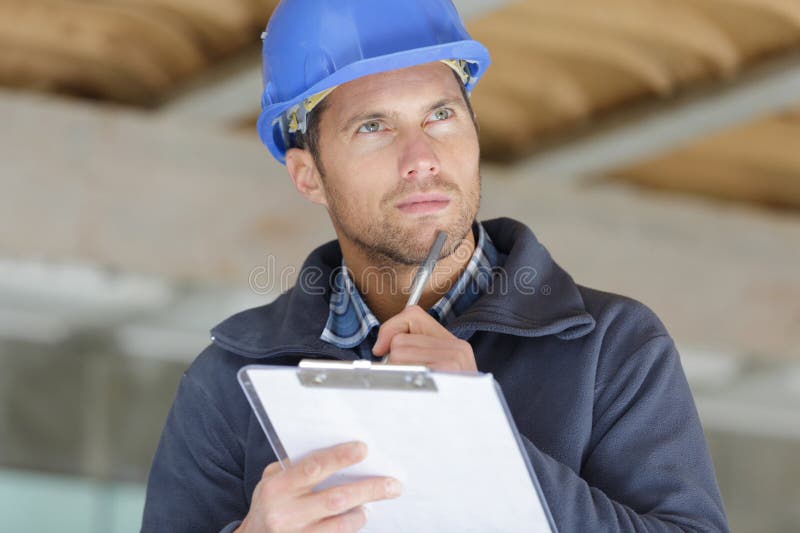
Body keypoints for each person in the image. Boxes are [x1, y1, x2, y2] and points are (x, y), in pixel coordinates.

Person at [142, 1, 729, 531]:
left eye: (441, 115)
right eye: (373, 126)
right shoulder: (226, 383)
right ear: (308, 175)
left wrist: (481, 434)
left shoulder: (613, 347)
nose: (421, 158)